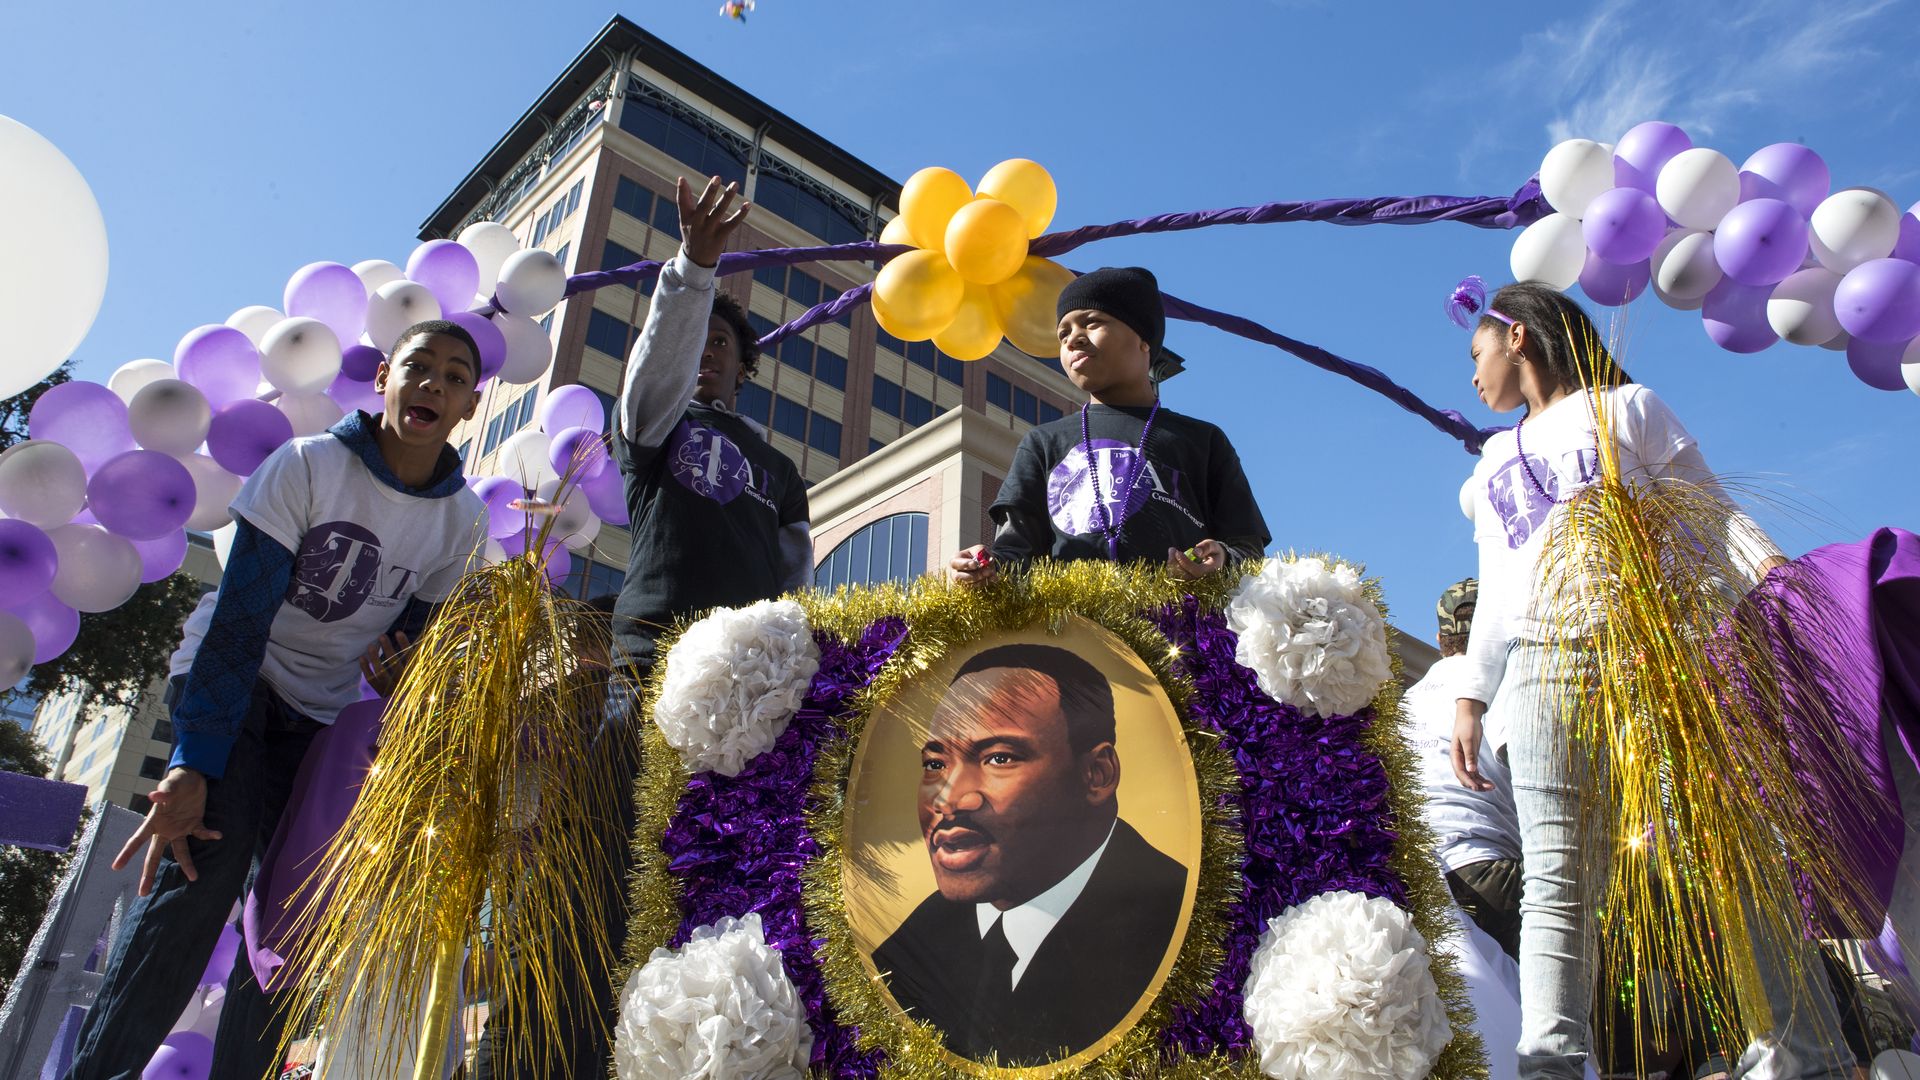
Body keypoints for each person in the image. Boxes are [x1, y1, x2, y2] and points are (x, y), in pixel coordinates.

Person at [1444, 281, 1851, 1080]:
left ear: (1518, 336)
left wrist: (1783, 587)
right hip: (1538, 673)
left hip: (1655, 656)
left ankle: (1814, 1059)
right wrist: (1470, 693)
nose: (1472, 375)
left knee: (1731, 855)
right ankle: (1551, 1065)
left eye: (1475, 353)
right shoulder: (1493, 459)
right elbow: (1497, 590)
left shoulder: (1626, 409)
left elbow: (1713, 515)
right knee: (1559, 881)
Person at [65, 320, 486, 1080]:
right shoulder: (308, 464)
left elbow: (412, 655)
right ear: (385, 377)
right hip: (235, 681)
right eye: (418, 367)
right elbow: (239, 624)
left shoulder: (461, 521)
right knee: (205, 870)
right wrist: (195, 762)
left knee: (294, 919)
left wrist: (401, 685)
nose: (434, 384)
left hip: (321, 716)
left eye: (455, 377)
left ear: (471, 404)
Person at [471, 176, 810, 1079]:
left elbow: (794, 588)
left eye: (722, 345)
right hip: (646, 667)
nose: (703, 355)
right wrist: (694, 269)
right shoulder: (653, 426)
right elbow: (658, 365)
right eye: (693, 341)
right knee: (591, 874)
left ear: (745, 364)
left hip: (746, 706)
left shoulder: (781, 469)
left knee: (717, 884)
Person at [871, 643, 1188, 1065]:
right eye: (935, 764)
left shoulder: (1175, 925)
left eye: (999, 758)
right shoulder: (913, 946)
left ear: (1097, 775)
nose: (947, 799)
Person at [950, 266, 1267, 585]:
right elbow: (1015, 554)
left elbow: (1248, 551)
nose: (1073, 338)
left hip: (1181, 626)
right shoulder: (1043, 442)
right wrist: (983, 569)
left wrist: (1222, 559)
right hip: (1070, 630)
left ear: (1144, 340)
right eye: (1063, 333)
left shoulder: (1203, 440)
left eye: (1092, 322)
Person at [1404, 577, 1523, 959]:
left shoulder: (1405, 704)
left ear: (1440, 640)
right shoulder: (1504, 684)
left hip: (1425, 881)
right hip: (1495, 873)